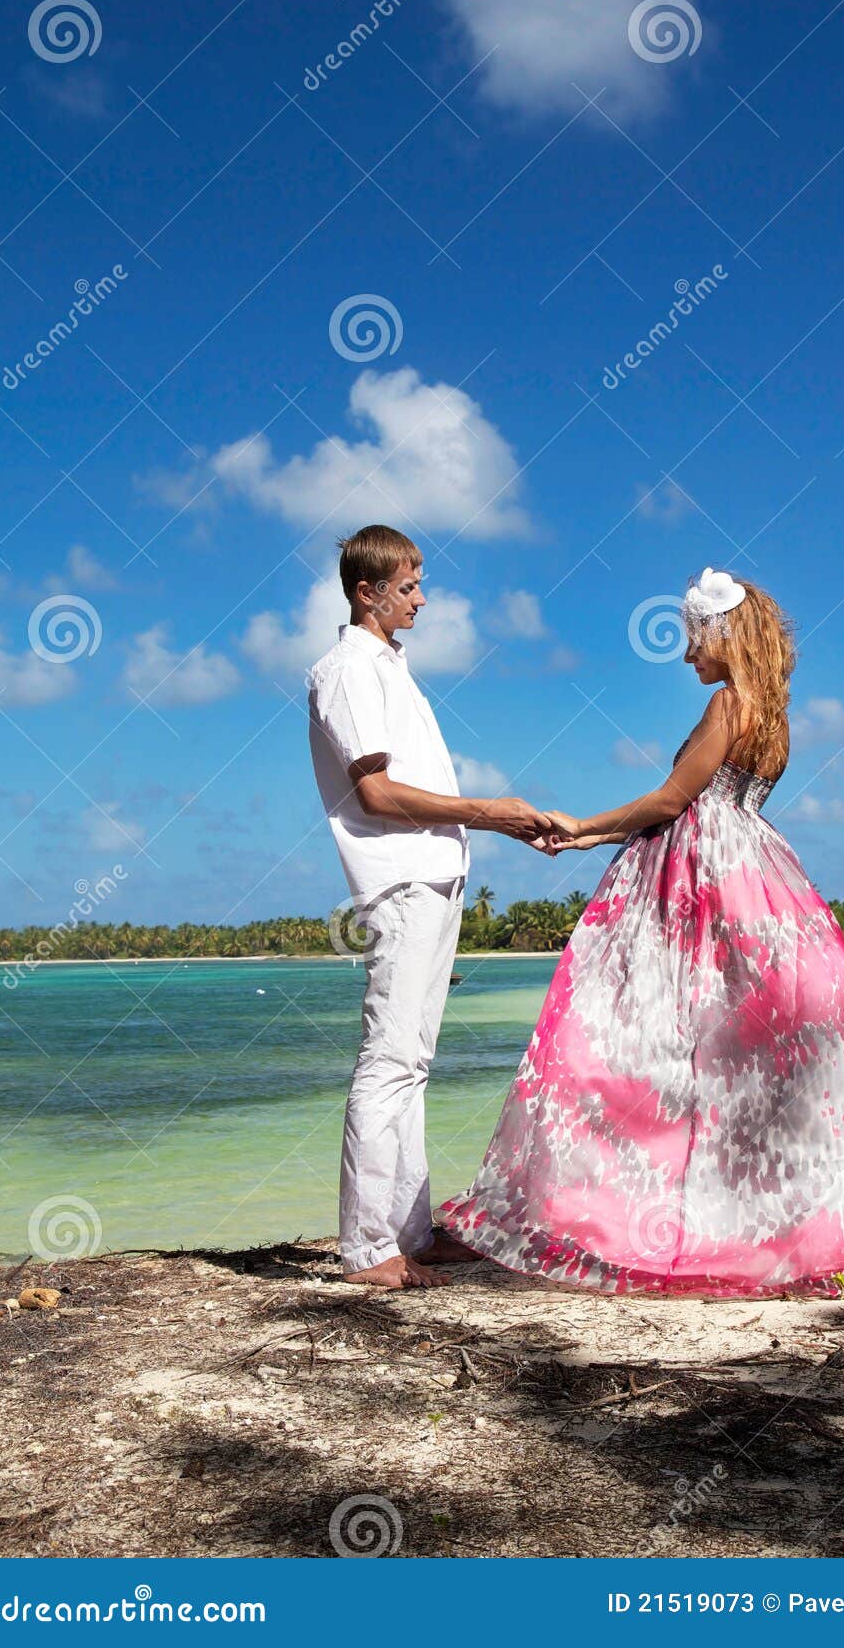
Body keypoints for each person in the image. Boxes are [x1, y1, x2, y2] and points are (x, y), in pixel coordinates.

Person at [437, 568, 844, 1298]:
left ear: (723, 635)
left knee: (622, 1041)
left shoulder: (727, 704)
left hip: (694, 881)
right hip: (755, 875)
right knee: (725, 1067)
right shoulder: (775, 714)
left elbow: (673, 800)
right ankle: (752, 1233)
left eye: (693, 639)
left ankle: (602, 1218)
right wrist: (587, 843)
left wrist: (581, 827)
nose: (685, 656)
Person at [308, 525, 551, 1291]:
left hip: (429, 875)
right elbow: (375, 794)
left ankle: (409, 1231)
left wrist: (486, 823)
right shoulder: (347, 669)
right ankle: (367, 1248)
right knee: (388, 1062)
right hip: (401, 879)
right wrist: (488, 811)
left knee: (410, 1062)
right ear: (365, 591)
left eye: (419, 583)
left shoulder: (388, 667)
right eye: (407, 586)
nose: (421, 598)